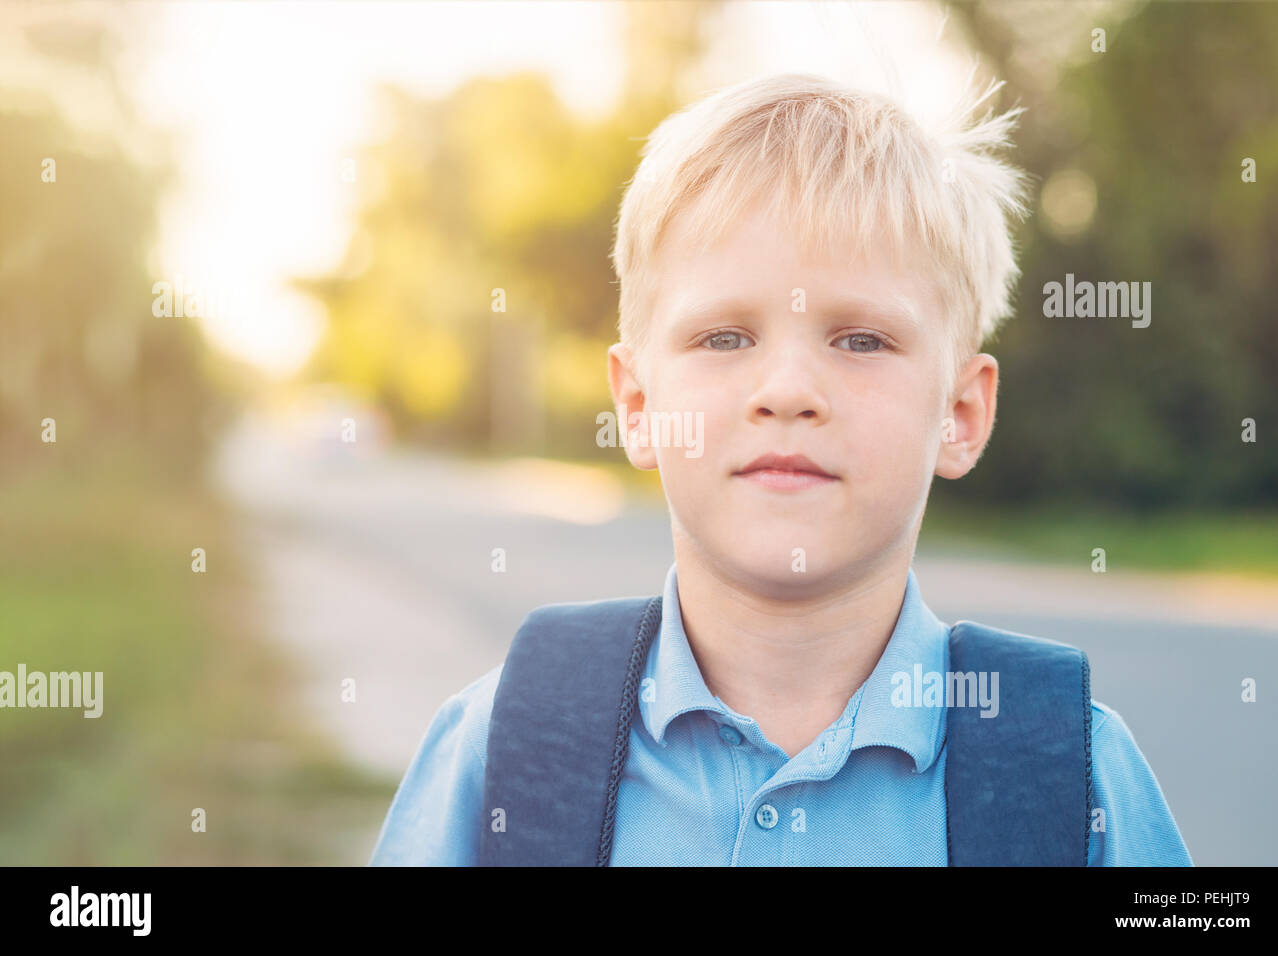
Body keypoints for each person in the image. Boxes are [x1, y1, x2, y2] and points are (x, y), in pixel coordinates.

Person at [369, 72, 1193, 866]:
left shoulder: (1066, 771)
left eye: (861, 340)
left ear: (961, 415)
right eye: (725, 337)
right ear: (638, 406)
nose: (789, 391)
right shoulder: (509, 744)